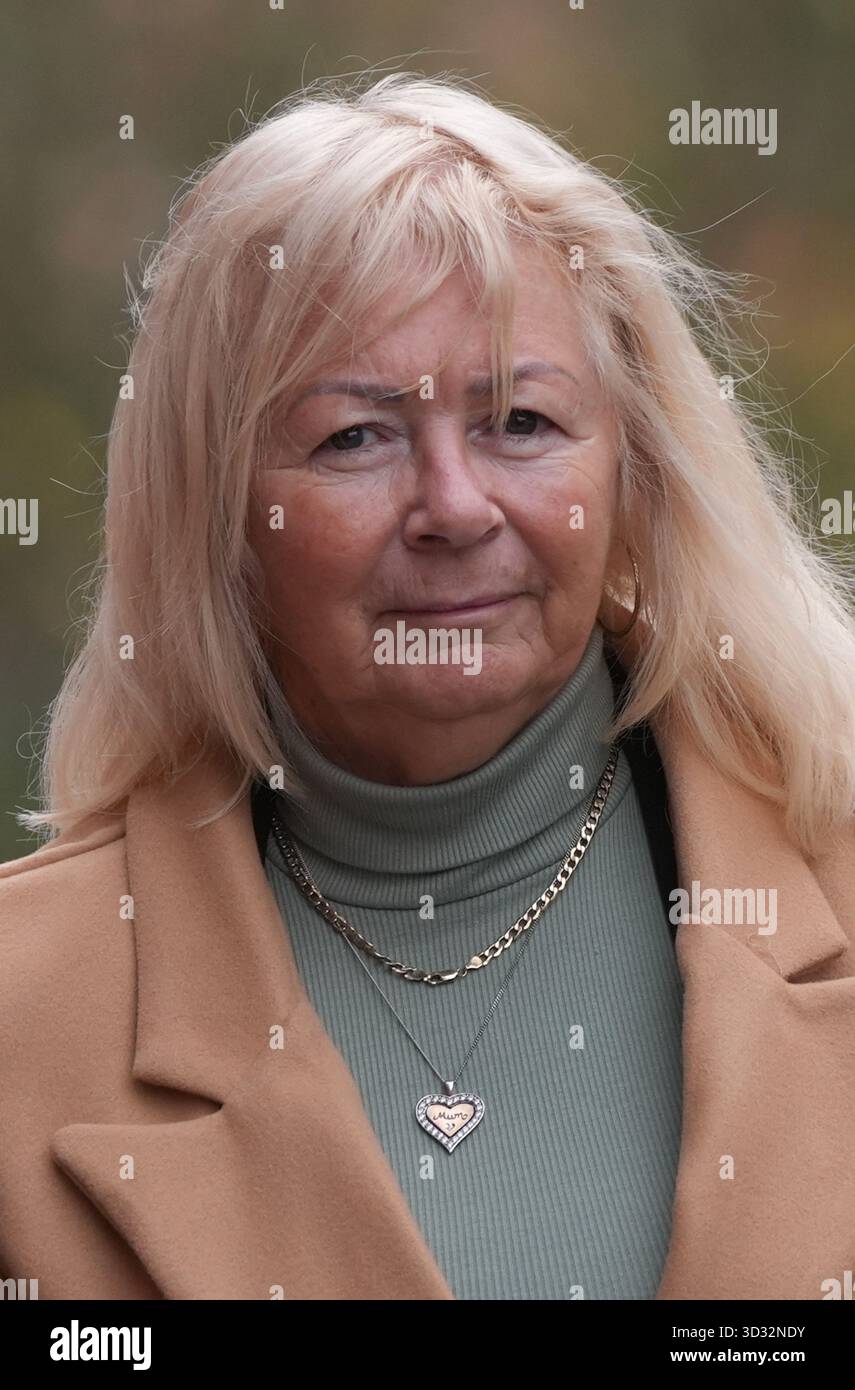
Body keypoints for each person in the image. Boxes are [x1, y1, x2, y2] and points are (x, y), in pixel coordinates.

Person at [2, 71, 854, 1302]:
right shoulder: (24, 1011)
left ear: (637, 472)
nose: (454, 507)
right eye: (355, 436)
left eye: (519, 419)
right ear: (216, 515)